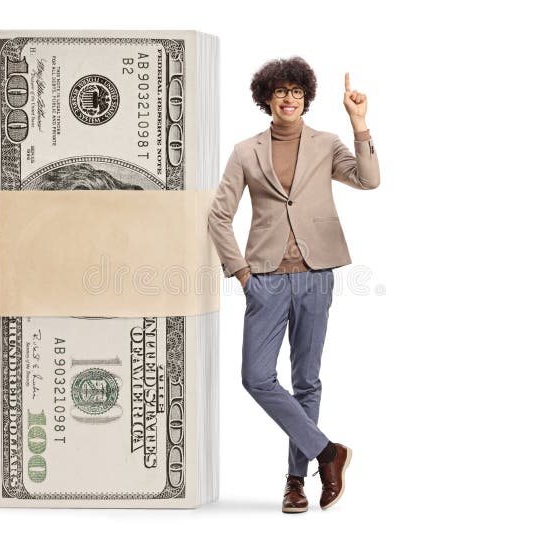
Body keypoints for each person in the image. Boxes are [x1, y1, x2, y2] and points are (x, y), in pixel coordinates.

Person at [207, 56, 380, 513]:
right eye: (281, 92)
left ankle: (296, 481)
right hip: (264, 278)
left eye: (297, 92)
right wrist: (242, 275)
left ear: (306, 98)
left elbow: (368, 179)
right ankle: (328, 451)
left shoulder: (327, 144)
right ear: (267, 98)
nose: (289, 99)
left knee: (306, 381)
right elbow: (218, 216)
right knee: (257, 377)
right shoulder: (246, 151)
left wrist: (359, 123)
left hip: (316, 276)